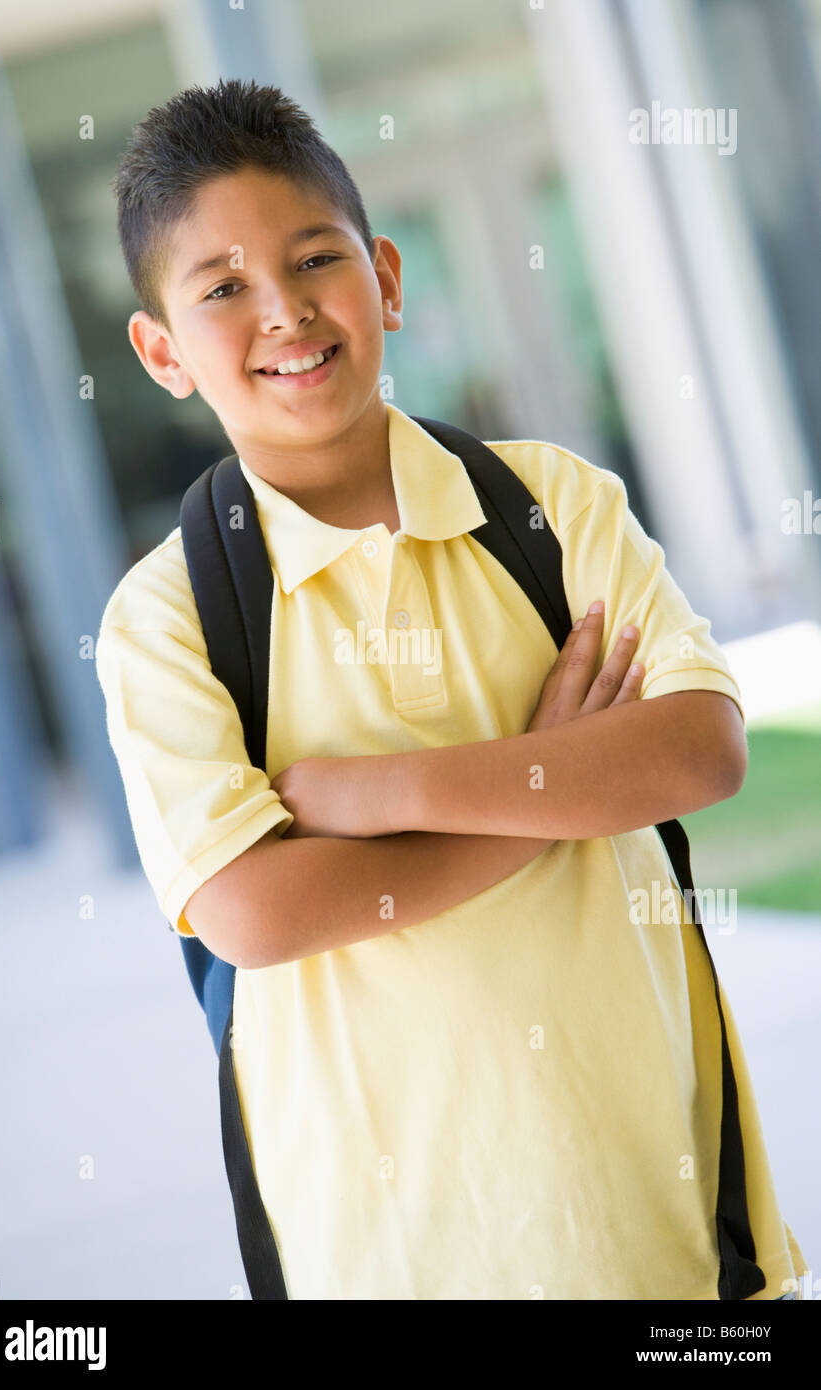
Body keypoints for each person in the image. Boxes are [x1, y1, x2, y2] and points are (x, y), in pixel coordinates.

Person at [96, 77, 806, 1300]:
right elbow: (255, 913)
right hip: (381, 1255)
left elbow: (695, 751)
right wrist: (555, 787)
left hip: (658, 1231)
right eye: (220, 288)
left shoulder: (550, 505)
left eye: (314, 258)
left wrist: (365, 795)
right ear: (162, 349)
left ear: (385, 276)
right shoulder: (167, 619)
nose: (283, 310)